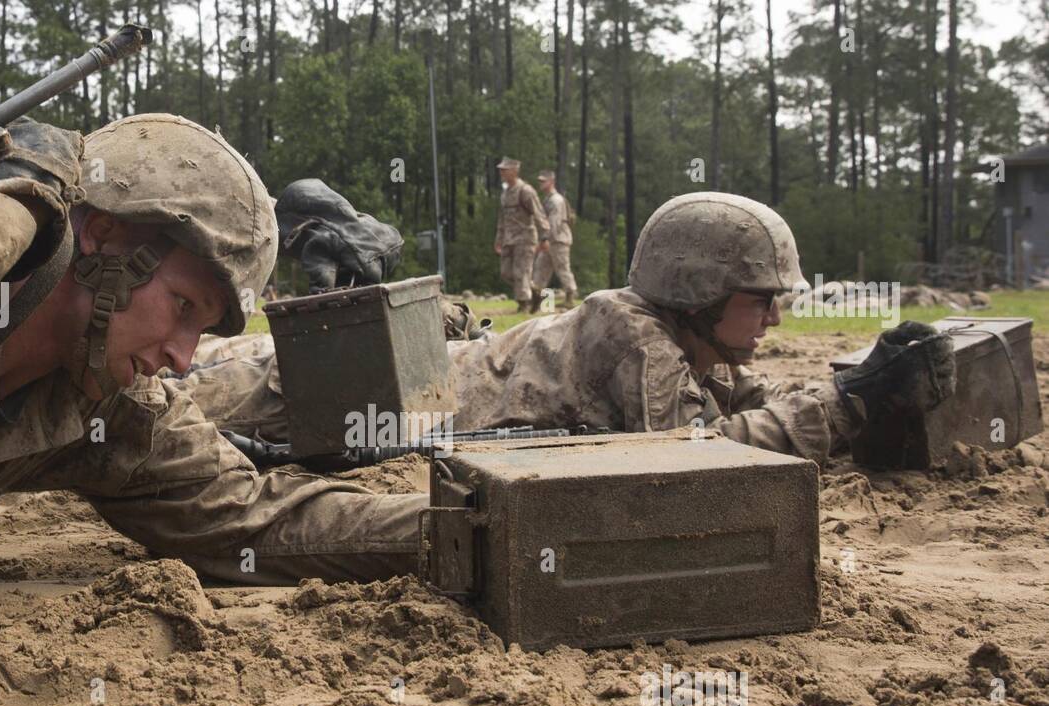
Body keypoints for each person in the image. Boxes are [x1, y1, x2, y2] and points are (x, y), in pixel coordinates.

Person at [0, 52, 424, 584]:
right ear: (99, 236)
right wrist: (25, 200)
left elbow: (254, 523)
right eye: (182, 308)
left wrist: (468, 526)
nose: (183, 357)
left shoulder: (106, 406)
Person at [171, 192, 955, 467]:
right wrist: (847, 406)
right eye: (762, 298)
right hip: (312, 391)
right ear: (700, 295)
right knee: (160, 389)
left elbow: (746, 397)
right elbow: (697, 459)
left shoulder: (681, 336)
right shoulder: (638, 337)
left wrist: (853, 386)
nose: (778, 317)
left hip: (393, 385)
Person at [493, 158, 550, 314]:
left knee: (522, 272)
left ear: (515, 171)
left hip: (525, 238)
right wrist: (498, 239)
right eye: (501, 170)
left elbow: (539, 214)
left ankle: (523, 305)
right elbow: (502, 219)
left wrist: (545, 236)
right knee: (506, 273)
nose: (501, 172)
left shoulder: (526, 191)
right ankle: (536, 293)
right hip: (508, 239)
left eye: (505, 170)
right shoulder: (505, 193)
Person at [529, 170, 578, 311]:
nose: (540, 184)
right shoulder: (547, 199)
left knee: (562, 268)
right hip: (551, 240)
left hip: (558, 240)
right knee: (540, 269)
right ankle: (537, 300)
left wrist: (544, 239)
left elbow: (554, 222)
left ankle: (569, 298)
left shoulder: (556, 200)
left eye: (543, 181)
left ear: (551, 182)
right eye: (540, 181)